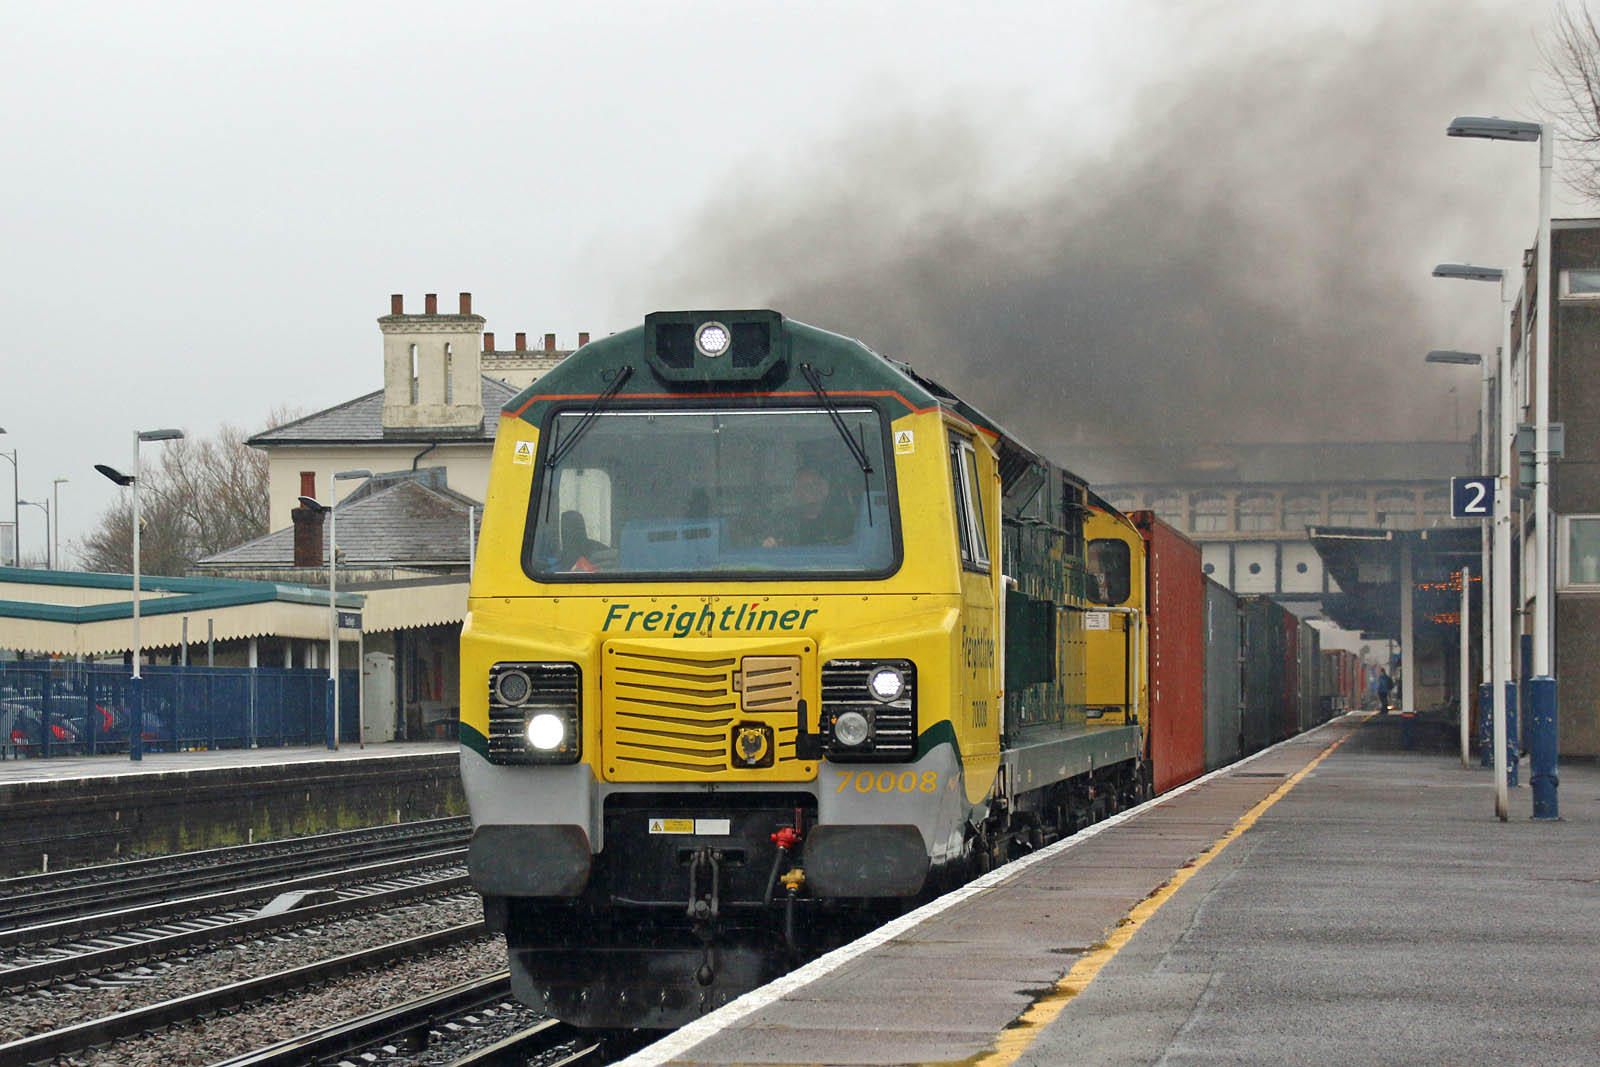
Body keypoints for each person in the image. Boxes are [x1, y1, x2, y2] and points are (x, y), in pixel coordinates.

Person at [763, 466, 856, 548]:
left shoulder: (842, 521)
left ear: (824, 488)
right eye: (802, 486)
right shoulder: (783, 521)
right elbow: (770, 545)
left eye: (813, 484)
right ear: (795, 492)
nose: (808, 489)